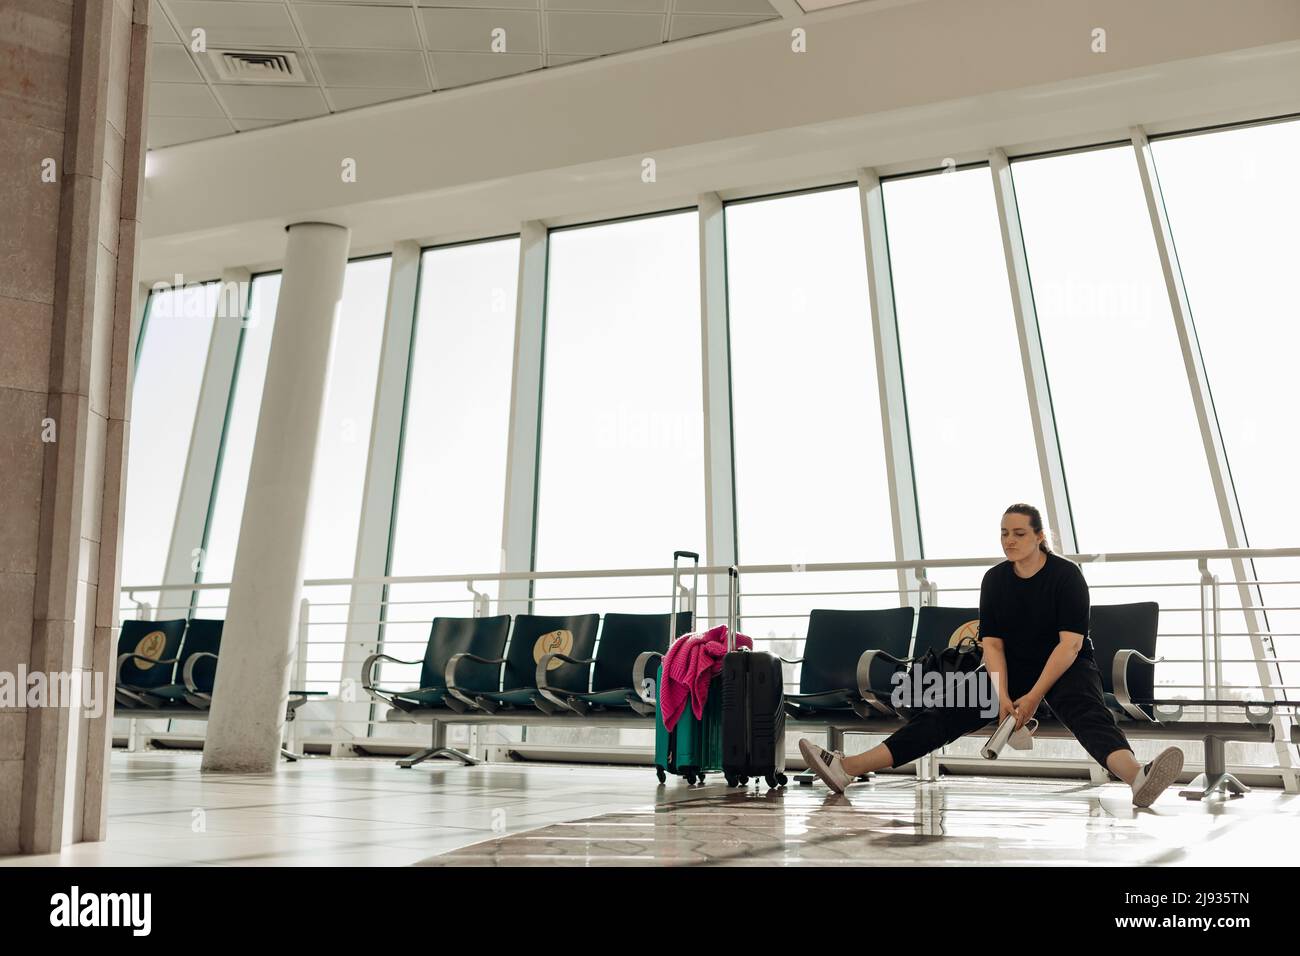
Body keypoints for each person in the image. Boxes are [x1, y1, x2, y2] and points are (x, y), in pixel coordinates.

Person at [799, 503, 1184, 808]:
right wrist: (1001, 696)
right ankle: (845, 769)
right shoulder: (995, 580)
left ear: (1039, 536)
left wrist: (1033, 698)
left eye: (1018, 533)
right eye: (1004, 533)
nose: (1009, 540)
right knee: (941, 717)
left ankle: (1137, 777)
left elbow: (1069, 644)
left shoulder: (1066, 577)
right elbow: (994, 646)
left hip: (1065, 666)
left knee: (1087, 713)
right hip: (1007, 669)